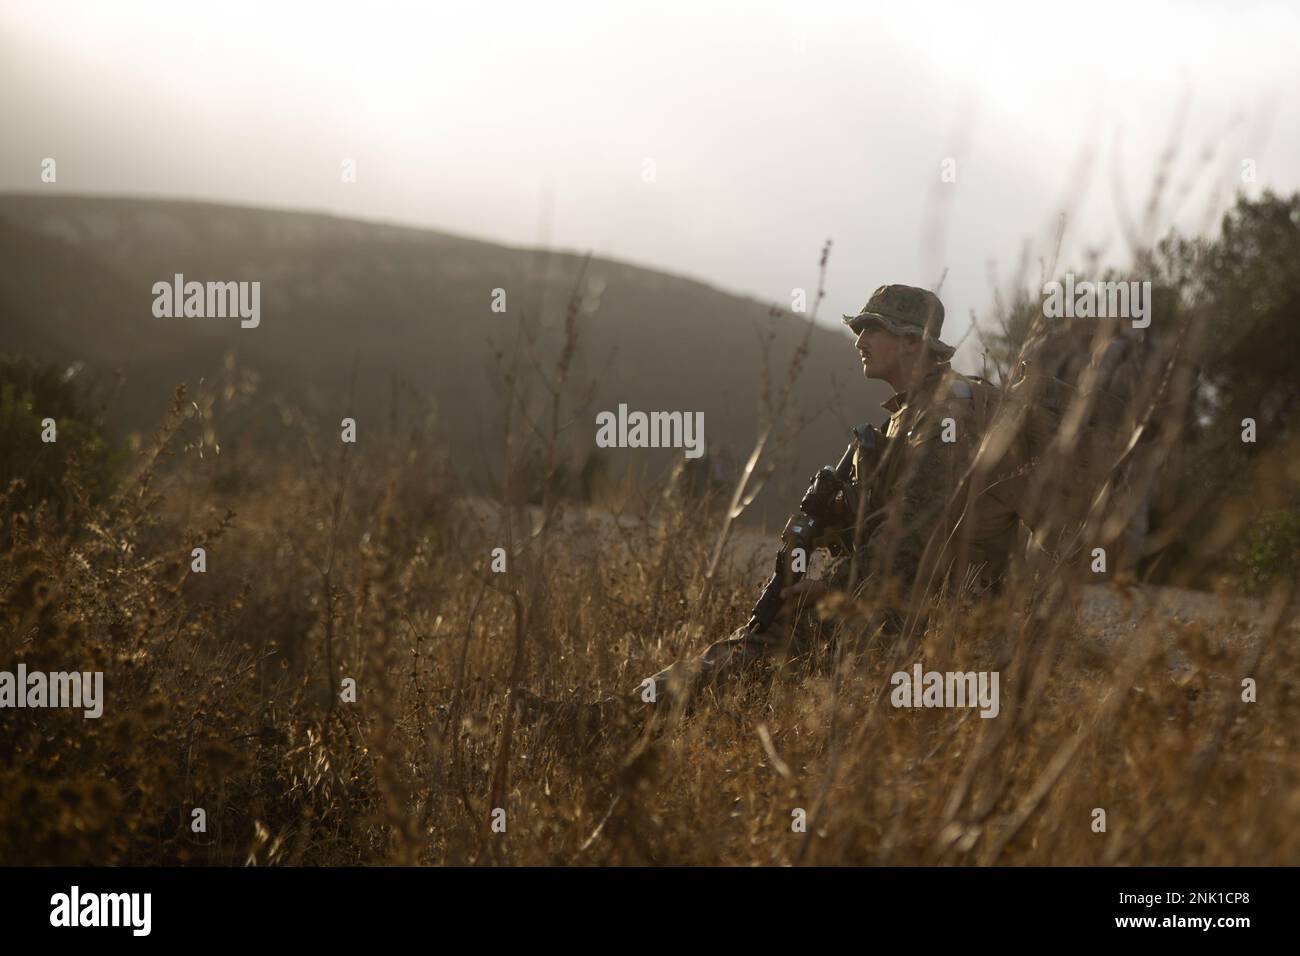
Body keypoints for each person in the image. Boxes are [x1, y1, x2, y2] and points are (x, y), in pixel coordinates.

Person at [641, 284, 1020, 706]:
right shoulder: (906, 417)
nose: (859, 341)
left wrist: (831, 587)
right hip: (898, 599)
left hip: (931, 615)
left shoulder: (945, 415)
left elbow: (911, 534)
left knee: (762, 653)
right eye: (859, 329)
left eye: (874, 329)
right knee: (757, 648)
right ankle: (633, 711)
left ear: (914, 342)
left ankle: (618, 717)